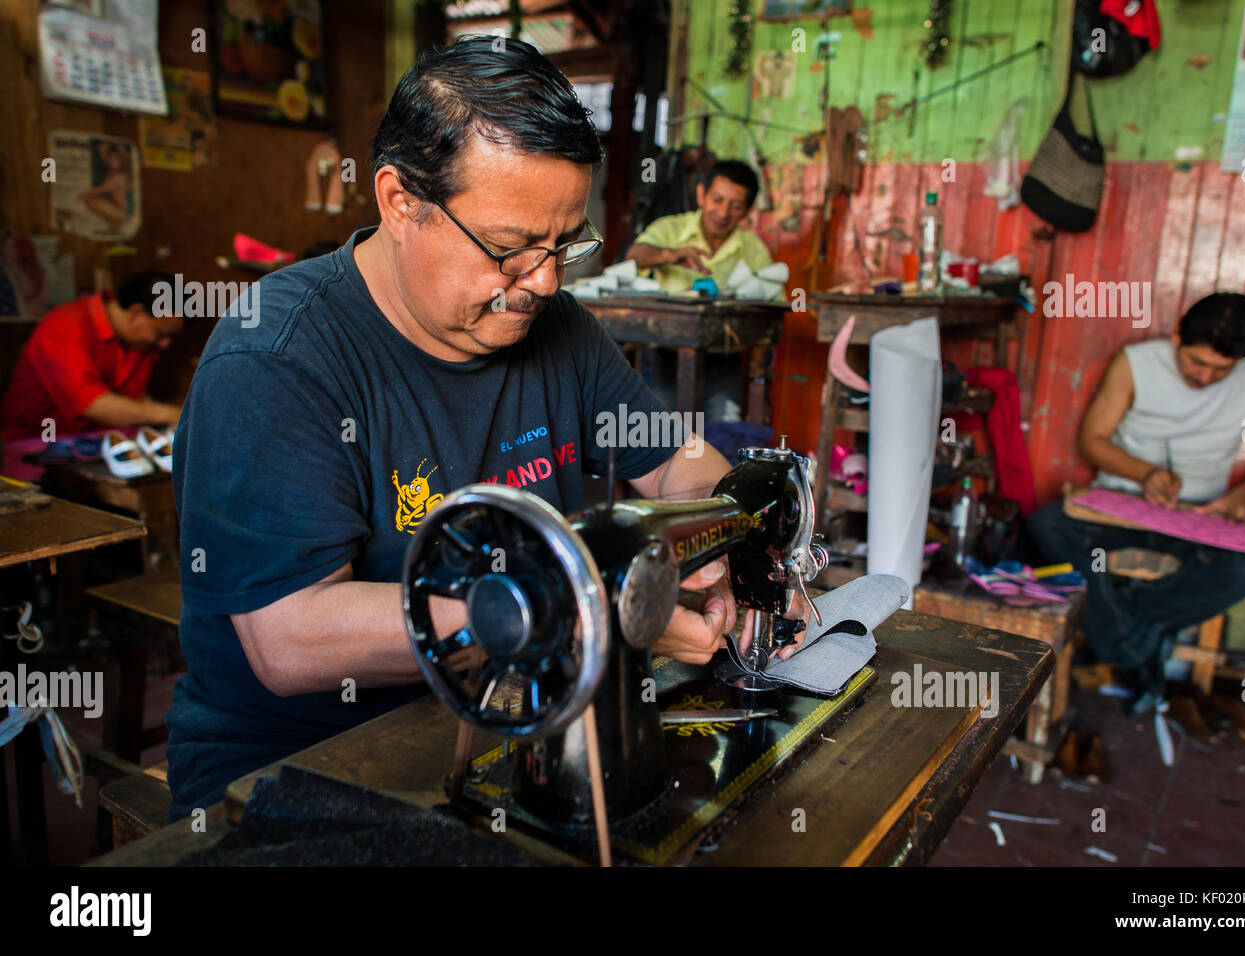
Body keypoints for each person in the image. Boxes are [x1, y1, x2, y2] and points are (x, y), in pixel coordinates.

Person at [165, 37, 809, 820]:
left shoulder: (561, 329)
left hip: (507, 715)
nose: (541, 281)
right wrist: (577, 608)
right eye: (508, 249)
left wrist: (723, 544)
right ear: (400, 202)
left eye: (564, 244)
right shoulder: (277, 356)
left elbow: (679, 462)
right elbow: (290, 641)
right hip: (302, 762)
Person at [1029, 292, 1245, 710]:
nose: (1205, 378)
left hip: (1200, 514)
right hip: (1123, 505)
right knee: (1048, 525)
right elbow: (1091, 440)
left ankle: (1122, 635)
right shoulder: (1137, 362)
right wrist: (1146, 474)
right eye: (1196, 363)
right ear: (1176, 338)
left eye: (1221, 370)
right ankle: (1143, 646)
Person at [1, 270, 183, 443]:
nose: (165, 345)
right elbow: (94, 406)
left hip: (95, 438)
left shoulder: (140, 342)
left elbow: (139, 401)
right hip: (34, 441)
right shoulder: (64, 326)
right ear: (136, 313)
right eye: (160, 334)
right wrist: (172, 414)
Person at [626, 159, 772, 293]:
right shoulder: (670, 228)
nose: (723, 213)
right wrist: (670, 254)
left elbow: (773, 300)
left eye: (736, 206)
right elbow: (634, 256)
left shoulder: (754, 250)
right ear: (701, 194)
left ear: (747, 211)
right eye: (717, 200)